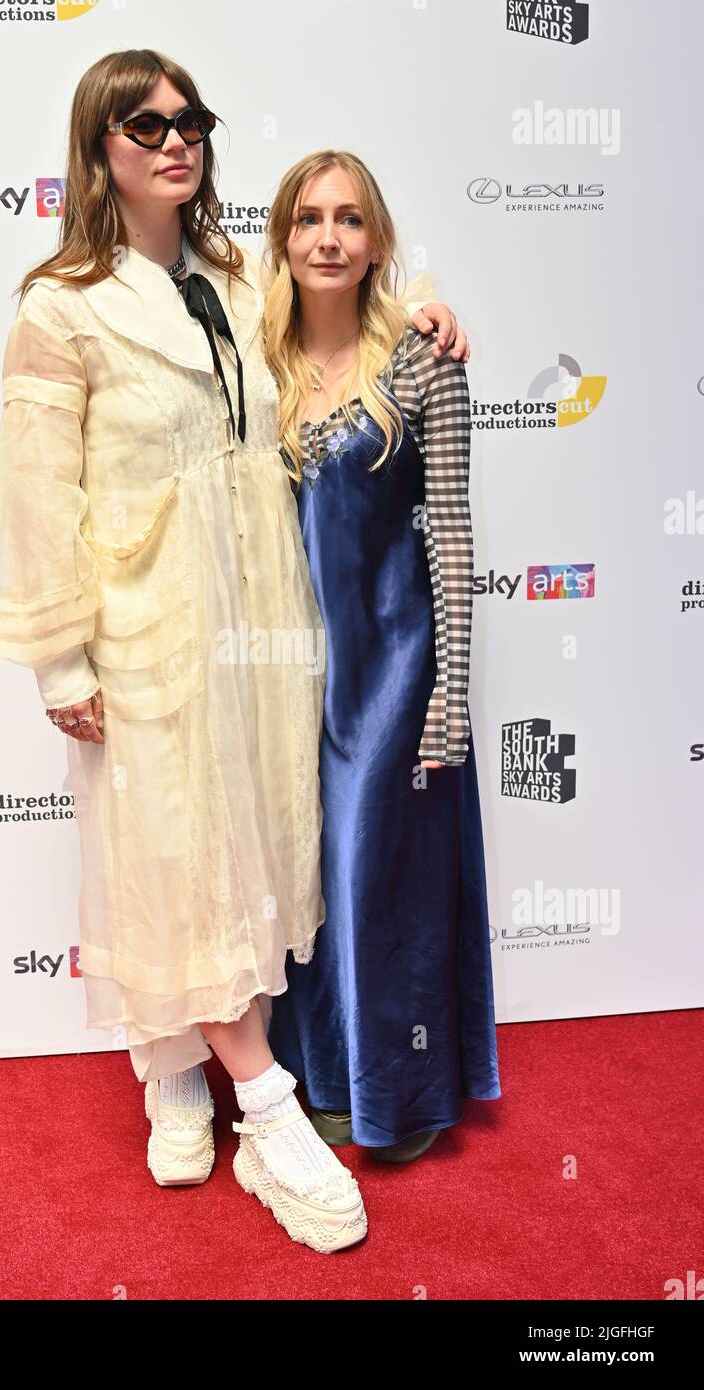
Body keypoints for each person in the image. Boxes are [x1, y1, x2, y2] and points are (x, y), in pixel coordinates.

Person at [0, 49, 470, 1253]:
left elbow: (334, 314)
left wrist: (433, 302)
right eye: (145, 125)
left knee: (234, 846)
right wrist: (59, 661)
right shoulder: (57, 307)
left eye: (190, 121)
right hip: (142, 622)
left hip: (261, 624)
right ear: (101, 149)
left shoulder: (236, 276)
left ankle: (174, 1061)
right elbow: (37, 492)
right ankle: (257, 1104)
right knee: (169, 849)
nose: (174, 141)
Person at [262, 151, 501, 1161]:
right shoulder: (256, 362)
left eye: (349, 220)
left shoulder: (417, 360)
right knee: (308, 879)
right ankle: (321, 1074)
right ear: (280, 237)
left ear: (376, 243)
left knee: (378, 880)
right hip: (287, 674)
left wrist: (448, 688)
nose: (327, 237)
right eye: (308, 218)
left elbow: (450, 527)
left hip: (395, 670)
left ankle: (396, 1093)